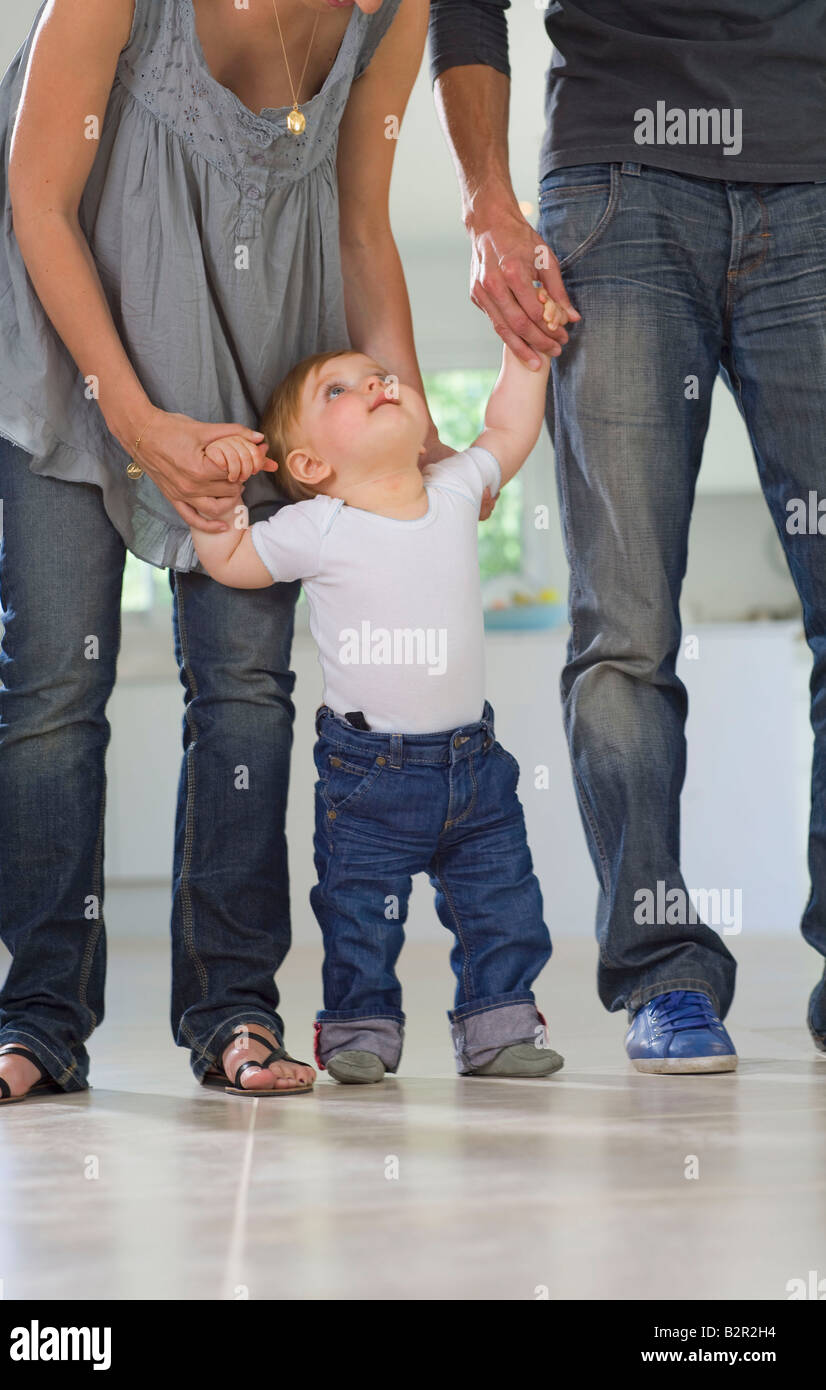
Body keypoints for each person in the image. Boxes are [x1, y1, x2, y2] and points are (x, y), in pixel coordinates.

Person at [0, 0, 443, 1105]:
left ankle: (233, 1007)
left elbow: (361, 223)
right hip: (65, 345)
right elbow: (40, 202)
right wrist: (135, 426)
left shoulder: (394, 12)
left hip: (251, 352)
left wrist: (406, 410)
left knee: (245, 689)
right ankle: (39, 1020)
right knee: (53, 683)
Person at [428, 0, 826, 1071]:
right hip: (618, 183)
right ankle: (662, 971)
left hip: (813, 171)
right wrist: (481, 202)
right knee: (625, 628)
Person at [186, 322, 568, 1080]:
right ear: (307, 464)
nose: (378, 384)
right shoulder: (317, 525)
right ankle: (360, 1031)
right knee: (360, 912)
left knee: (502, 903)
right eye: (343, 388)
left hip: (474, 765)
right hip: (368, 776)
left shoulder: (456, 485)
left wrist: (523, 355)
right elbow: (230, 559)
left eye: (380, 377)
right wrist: (221, 491)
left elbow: (509, 425)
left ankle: (499, 1026)